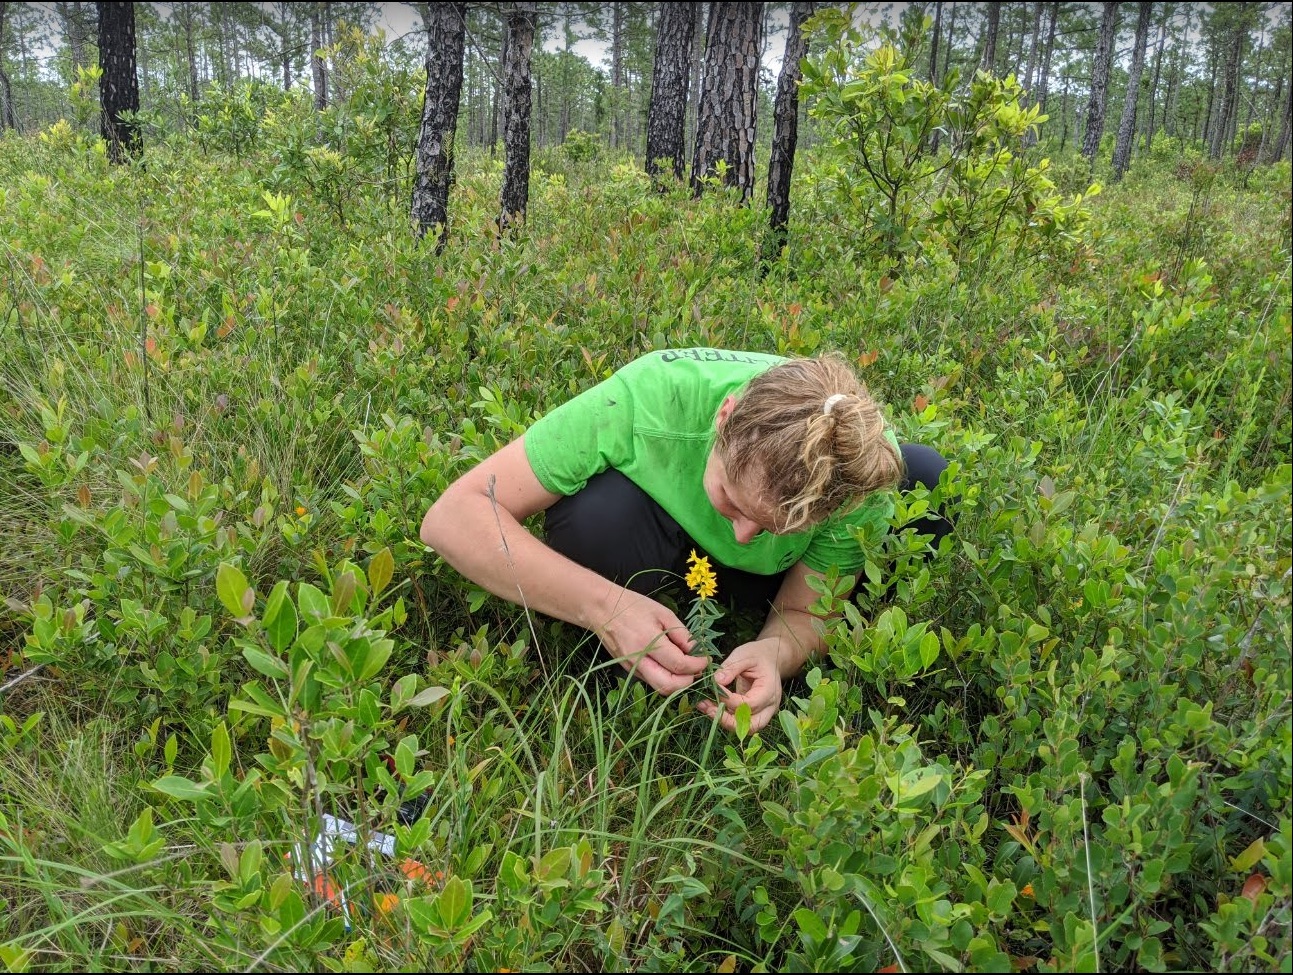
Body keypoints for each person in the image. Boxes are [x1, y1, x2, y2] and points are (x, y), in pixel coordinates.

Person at [419, 347, 950, 734]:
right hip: (667, 543)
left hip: (768, 583)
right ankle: (618, 641)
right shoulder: (651, 397)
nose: (743, 537)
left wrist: (775, 652)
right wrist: (606, 607)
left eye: (772, 527)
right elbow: (452, 518)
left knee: (925, 475)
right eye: (732, 501)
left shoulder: (852, 479)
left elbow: (809, 612)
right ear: (724, 419)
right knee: (594, 516)